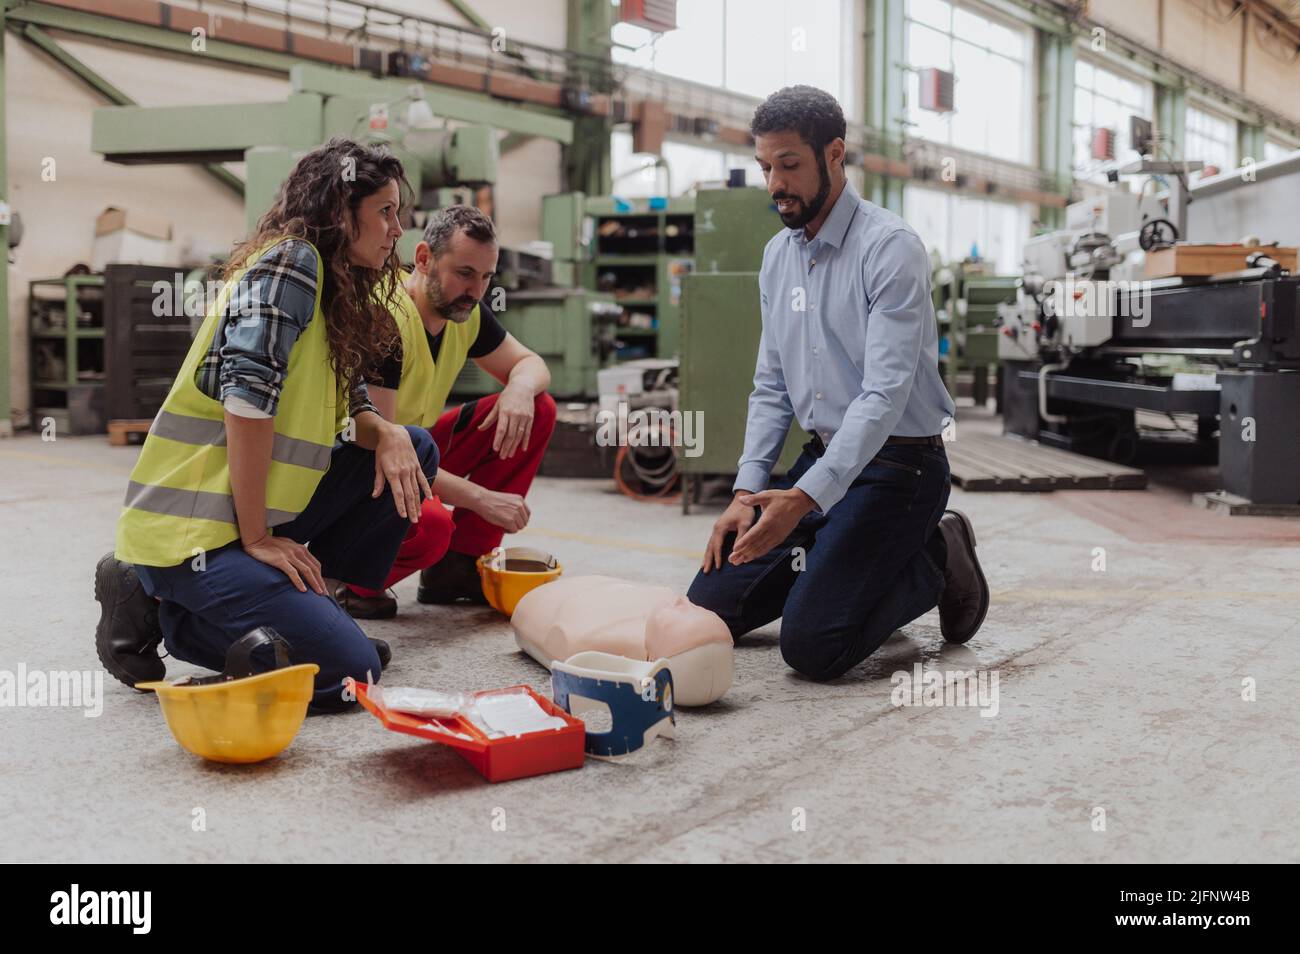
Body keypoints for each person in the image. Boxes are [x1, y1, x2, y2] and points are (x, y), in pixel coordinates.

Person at [94, 138, 438, 712]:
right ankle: (161, 607)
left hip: (244, 516)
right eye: (384, 211)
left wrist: (389, 432)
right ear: (339, 212)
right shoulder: (294, 262)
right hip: (194, 531)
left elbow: (348, 398)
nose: (396, 227)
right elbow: (248, 399)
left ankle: (317, 611)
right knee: (353, 675)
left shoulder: (334, 288)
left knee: (415, 447)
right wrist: (255, 537)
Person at [686, 86, 990, 681]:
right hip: (825, 458)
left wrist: (802, 499)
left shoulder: (889, 249)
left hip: (900, 467)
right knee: (709, 609)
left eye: (790, 165)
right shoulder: (778, 256)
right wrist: (747, 495)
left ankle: (936, 553)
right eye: (765, 167)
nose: (775, 184)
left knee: (813, 648)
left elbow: (884, 396)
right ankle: (846, 567)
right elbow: (771, 385)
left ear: (835, 155)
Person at [331, 206, 556, 619]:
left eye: (487, 278)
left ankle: (458, 569)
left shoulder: (463, 313)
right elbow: (382, 449)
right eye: (465, 273)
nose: (476, 290)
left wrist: (519, 389)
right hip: (367, 466)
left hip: (419, 449)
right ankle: (352, 580)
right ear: (423, 259)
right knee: (433, 528)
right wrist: (481, 498)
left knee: (538, 407)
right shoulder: (387, 317)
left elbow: (532, 365)